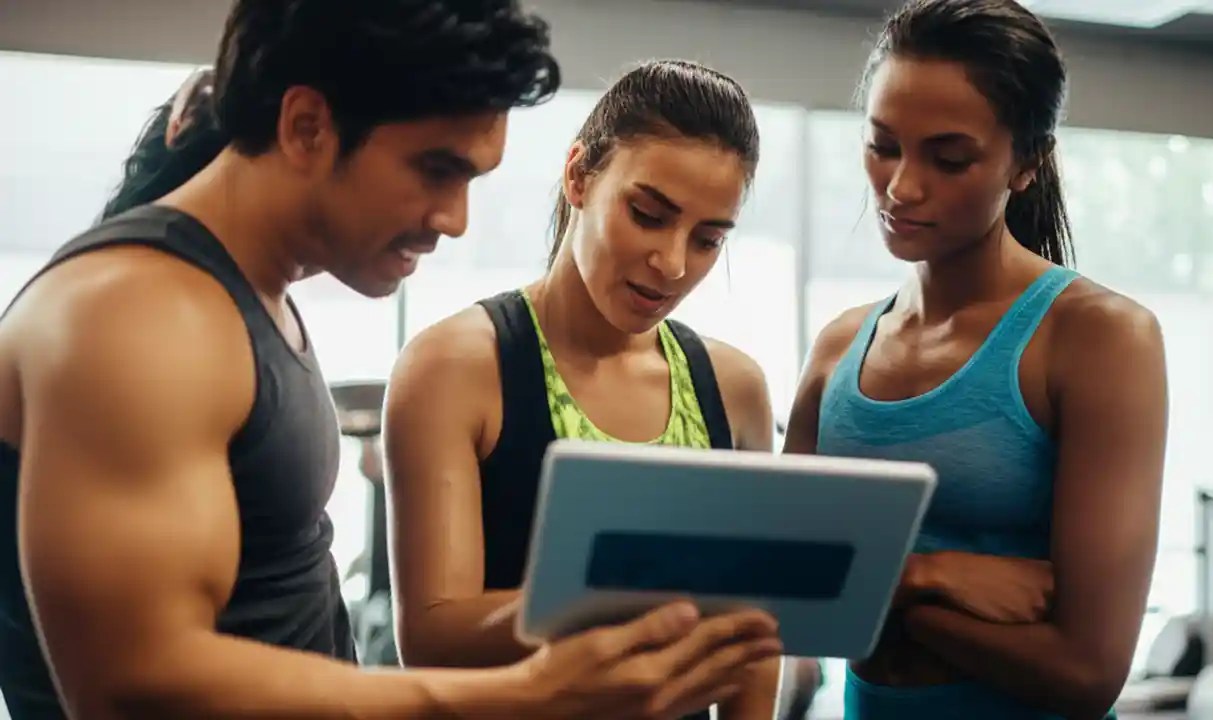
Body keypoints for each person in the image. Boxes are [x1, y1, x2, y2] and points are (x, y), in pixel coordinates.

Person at [0, 2, 782, 718]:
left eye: (471, 179)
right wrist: (529, 687)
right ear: (307, 127)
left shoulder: (241, 298)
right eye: (434, 169)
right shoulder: (142, 315)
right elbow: (133, 682)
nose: (454, 219)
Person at [784, 1, 1169, 718]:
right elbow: (782, 589)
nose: (901, 187)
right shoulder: (839, 348)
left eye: (949, 158)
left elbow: (1088, 672)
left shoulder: (1099, 339)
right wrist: (929, 576)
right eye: (882, 145)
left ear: (1027, 163)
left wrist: (888, 592)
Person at [382, 59, 782, 720]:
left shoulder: (733, 387)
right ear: (578, 175)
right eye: (649, 215)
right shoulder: (455, 367)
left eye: (708, 239)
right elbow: (431, 635)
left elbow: (752, 639)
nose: (673, 264)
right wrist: (655, 597)